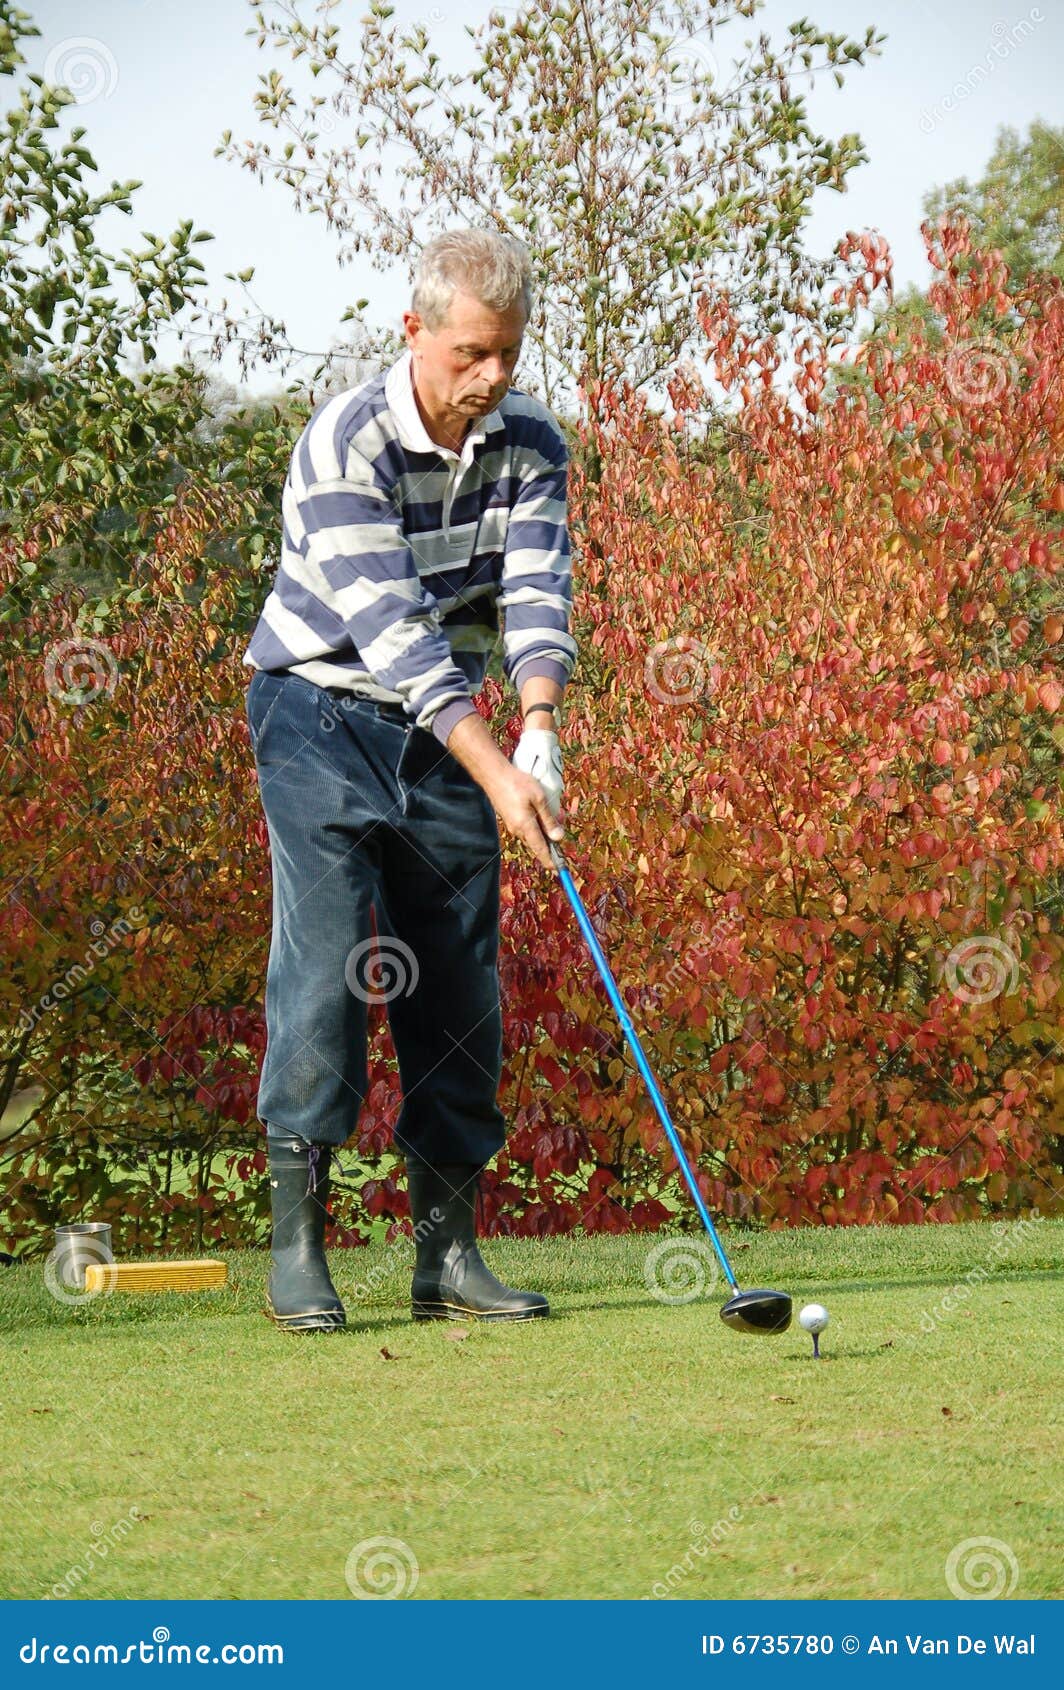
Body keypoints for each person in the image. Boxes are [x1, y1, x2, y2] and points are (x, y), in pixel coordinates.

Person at [242, 227, 577, 1333]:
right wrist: (491, 768)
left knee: (455, 980)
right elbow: (394, 639)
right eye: (470, 353)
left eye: (507, 354)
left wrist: (537, 733)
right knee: (329, 965)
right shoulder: (346, 443)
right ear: (415, 331)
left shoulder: (530, 439)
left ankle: (446, 1257)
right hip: (318, 710)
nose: (489, 380)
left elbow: (532, 592)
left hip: (455, 726)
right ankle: (298, 1249)